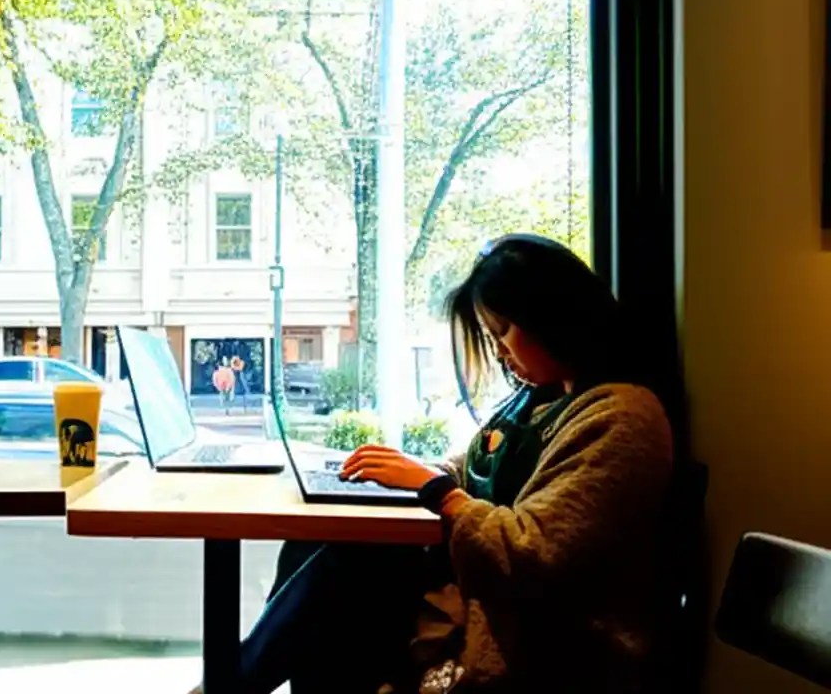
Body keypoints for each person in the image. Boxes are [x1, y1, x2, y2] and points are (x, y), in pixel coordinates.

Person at [205, 234, 676, 694]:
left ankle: (230, 684)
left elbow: (530, 553)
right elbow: (474, 468)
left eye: (503, 332)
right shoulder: (544, 401)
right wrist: (412, 472)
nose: (500, 353)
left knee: (349, 563)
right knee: (317, 544)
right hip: (478, 600)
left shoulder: (621, 417)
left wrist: (437, 492)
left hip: (541, 645)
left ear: (552, 318)